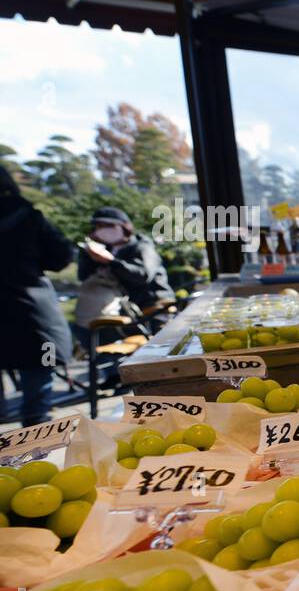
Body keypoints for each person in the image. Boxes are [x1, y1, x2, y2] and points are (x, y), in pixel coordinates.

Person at [0, 166, 75, 425]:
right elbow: (60, 257)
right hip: (30, 315)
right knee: (40, 375)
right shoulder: (27, 215)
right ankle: (35, 437)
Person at [73, 207, 173, 348]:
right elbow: (83, 277)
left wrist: (111, 261)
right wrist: (87, 254)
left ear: (124, 226)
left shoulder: (141, 246)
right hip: (124, 310)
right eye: (98, 226)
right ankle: (111, 367)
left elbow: (143, 276)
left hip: (153, 309)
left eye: (107, 226)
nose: (102, 230)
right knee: (86, 329)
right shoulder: (104, 249)